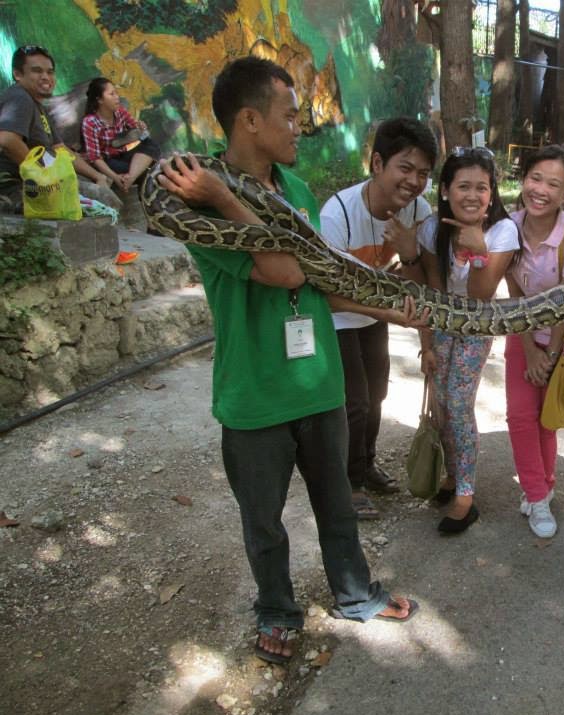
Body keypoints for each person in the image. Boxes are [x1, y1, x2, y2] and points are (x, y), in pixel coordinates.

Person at [154, 56, 423, 665]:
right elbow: (281, 268)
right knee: (265, 522)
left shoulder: (295, 191)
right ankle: (276, 610)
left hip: (318, 380)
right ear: (249, 120)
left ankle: (355, 594)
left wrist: (392, 313)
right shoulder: (195, 198)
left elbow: (323, 279)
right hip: (255, 394)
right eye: (290, 115)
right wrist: (223, 197)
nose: (301, 126)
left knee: (337, 505)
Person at [320, 118, 436, 521]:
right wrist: (386, 311)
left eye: (423, 173)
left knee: (378, 395)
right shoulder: (337, 214)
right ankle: (347, 484)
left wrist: (409, 253)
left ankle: (366, 465)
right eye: (405, 168)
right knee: (353, 402)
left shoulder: (419, 210)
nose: (414, 181)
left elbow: (418, 279)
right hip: (339, 316)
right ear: (377, 163)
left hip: (375, 315)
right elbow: (330, 295)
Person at [417, 146, 519, 534]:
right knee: (441, 404)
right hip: (442, 324)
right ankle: (449, 474)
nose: (473, 196)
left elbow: (479, 298)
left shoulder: (502, 231)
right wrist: (426, 345)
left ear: (492, 194)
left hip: (477, 326)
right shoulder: (432, 229)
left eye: (482, 187)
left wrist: (478, 251)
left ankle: (465, 494)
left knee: (459, 403)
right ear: (444, 190)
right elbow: (431, 292)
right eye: (463, 186)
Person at [503, 145, 564, 538]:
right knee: (521, 417)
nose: (540, 189)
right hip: (523, 332)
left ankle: (546, 484)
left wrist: (551, 354)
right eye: (535, 178)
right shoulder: (507, 225)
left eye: (553, 184)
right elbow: (514, 291)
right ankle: (538, 496)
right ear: (523, 179)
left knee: (547, 418)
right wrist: (529, 349)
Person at [0, 45, 121, 213]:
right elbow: (7, 140)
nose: (45, 77)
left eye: (50, 72)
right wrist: (41, 175)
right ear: (18, 75)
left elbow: (61, 150)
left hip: (37, 182)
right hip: (12, 187)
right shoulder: (19, 97)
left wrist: (97, 176)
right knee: (100, 205)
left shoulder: (37, 106)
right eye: (37, 71)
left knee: (103, 196)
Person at [81, 77, 162, 192]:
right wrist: (115, 177)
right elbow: (95, 158)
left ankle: (130, 179)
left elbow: (135, 126)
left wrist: (140, 126)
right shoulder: (89, 122)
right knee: (142, 168)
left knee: (151, 145)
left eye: (116, 93)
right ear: (99, 100)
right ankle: (133, 174)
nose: (117, 97)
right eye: (112, 94)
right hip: (107, 161)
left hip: (123, 153)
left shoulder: (120, 112)